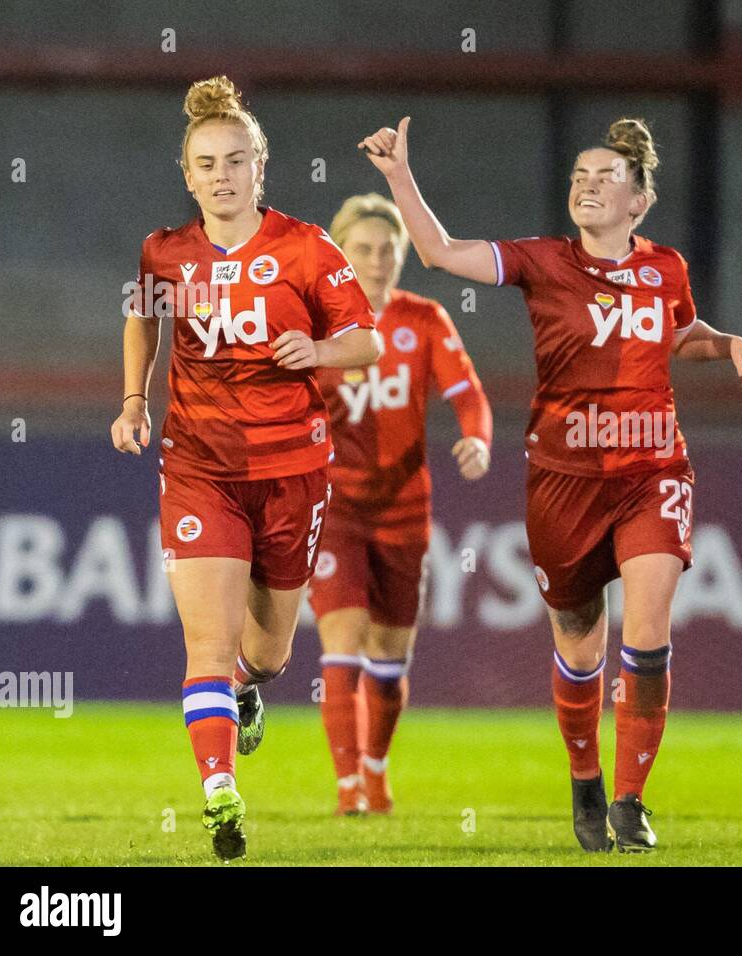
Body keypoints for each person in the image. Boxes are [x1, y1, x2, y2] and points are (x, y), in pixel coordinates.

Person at [358, 115, 742, 852]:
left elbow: (676, 335)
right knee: (581, 647)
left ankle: (630, 799)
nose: (586, 185)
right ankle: (584, 778)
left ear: (639, 201)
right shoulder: (542, 261)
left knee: (647, 635)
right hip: (563, 478)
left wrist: (730, 341)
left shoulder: (666, 268)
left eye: (604, 177)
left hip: (652, 468)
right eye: (579, 175)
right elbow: (439, 251)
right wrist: (398, 176)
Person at [111, 76, 381, 861]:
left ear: (259, 168)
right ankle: (219, 792)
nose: (221, 175)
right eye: (206, 163)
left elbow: (366, 340)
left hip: (293, 470)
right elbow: (140, 314)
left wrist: (322, 350)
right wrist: (134, 400)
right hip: (200, 468)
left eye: (236, 160)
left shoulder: (305, 248)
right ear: (186, 172)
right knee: (205, 644)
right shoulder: (164, 250)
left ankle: (248, 688)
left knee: (266, 654)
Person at [309, 193, 492, 815]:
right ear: (339, 253)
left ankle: (376, 768)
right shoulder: (314, 322)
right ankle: (347, 790)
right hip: (334, 509)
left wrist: (476, 437)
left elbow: (469, 394)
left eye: (388, 249)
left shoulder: (425, 319)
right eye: (362, 249)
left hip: (404, 508)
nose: (377, 260)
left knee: (389, 653)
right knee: (343, 636)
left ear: (403, 255)